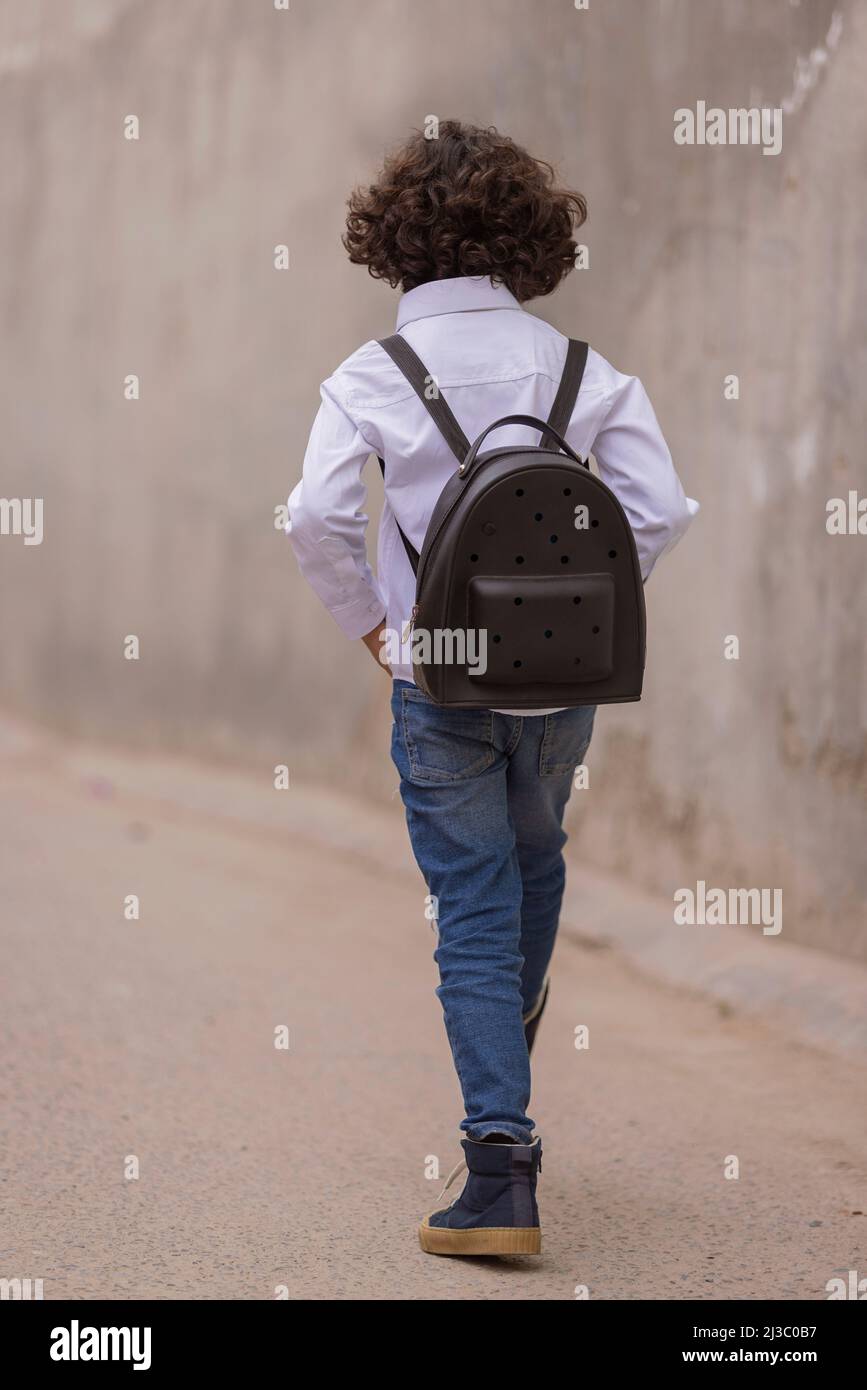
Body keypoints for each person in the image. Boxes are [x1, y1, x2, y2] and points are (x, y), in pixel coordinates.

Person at [287, 120, 698, 1256]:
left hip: (440, 685)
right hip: (561, 688)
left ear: (394, 242)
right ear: (528, 239)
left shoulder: (373, 375)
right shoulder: (585, 371)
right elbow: (658, 510)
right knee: (537, 856)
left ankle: (499, 1173)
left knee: (471, 905)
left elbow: (316, 515)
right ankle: (506, 1038)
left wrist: (380, 630)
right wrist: (565, 616)